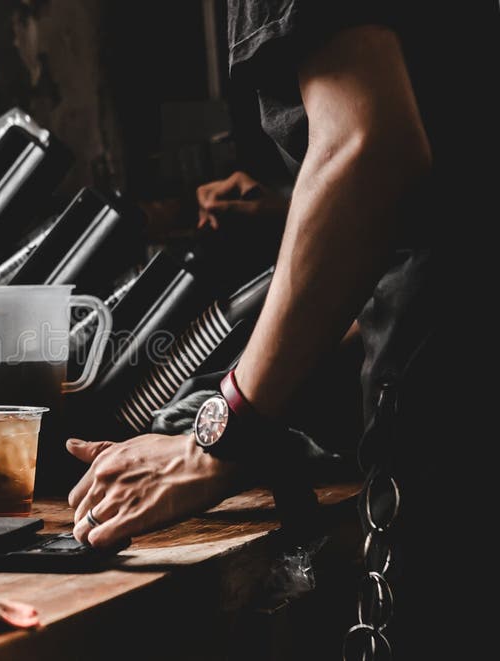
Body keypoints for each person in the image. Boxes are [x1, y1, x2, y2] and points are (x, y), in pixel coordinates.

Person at [66, 2, 496, 657]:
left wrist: (219, 439)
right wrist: (261, 417)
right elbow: (442, 205)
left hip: (455, 431)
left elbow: (367, 151)